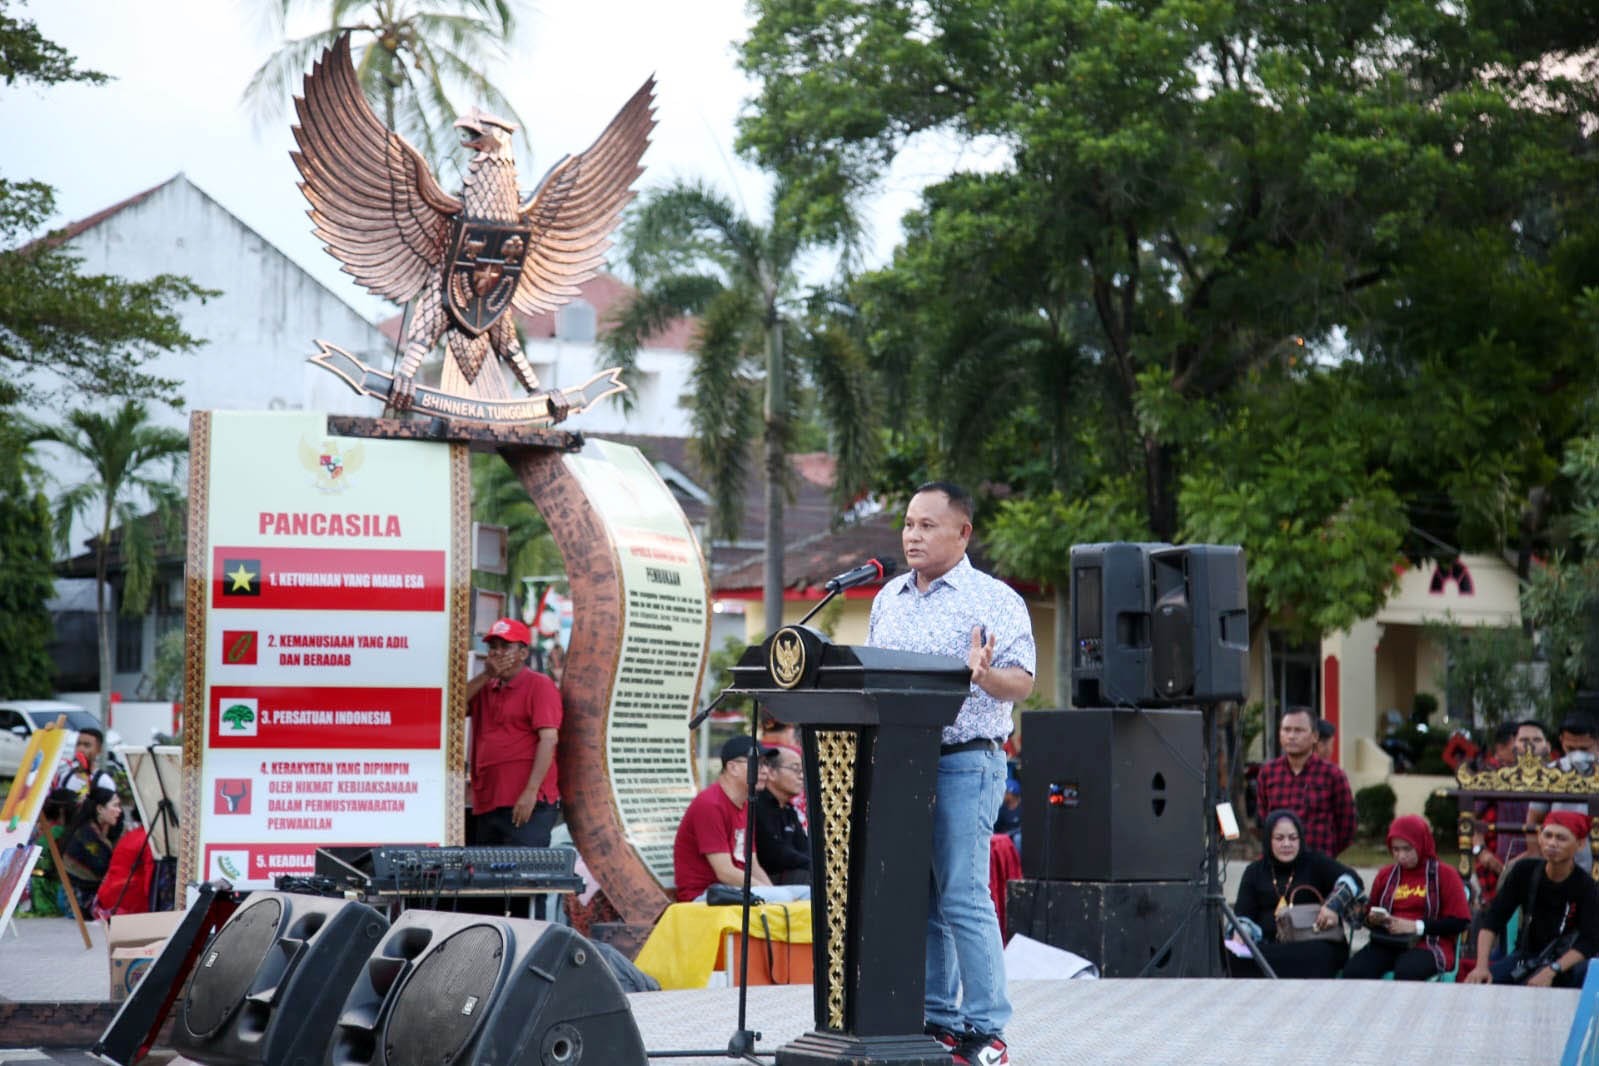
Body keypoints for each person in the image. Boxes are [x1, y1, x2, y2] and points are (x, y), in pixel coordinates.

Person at [868, 480, 1035, 1066]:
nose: (912, 535)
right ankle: (938, 1018)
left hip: (969, 759)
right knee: (926, 894)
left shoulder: (995, 599)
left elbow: (1023, 680)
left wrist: (985, 676)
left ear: (962, 533)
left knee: (963, 890)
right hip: (902, 763)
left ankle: (987, 1028)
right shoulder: (887, 598)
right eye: (909, 524)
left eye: (927, 525)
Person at [1466, 810, 1599, 987]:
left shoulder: (1586, 886)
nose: (1552, 843)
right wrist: (1481, 966)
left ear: (1580, 844)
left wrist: (1552, 970)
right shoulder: (1524, 872)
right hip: (1526, 958)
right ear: (1539, 837)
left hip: (1568, 963)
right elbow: (1492, 920)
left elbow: (1589, 943)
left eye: (1561, 838)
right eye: (1548, 835)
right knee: (1482, 985)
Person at [1228, 810, 1363, 978]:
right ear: (1268, 840)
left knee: (1317, 955)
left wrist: (1332, 906)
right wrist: (1242, 933)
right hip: (1270, 945)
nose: (1287, 844)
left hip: (1313, 943)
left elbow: (1352, 879)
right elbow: (1243, 914)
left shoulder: (1315, 862)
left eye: (1293, 838)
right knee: (1232, 957)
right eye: (1279, 838)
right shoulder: (1254, 871)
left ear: (1301, 839)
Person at [672, 735, 807, 902]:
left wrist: (772, 893)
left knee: (810, 895)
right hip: (704, 897)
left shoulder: (746, 804)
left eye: (765, 763)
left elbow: (753, 865)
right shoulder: (710, 804)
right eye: (757, 763)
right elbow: (725, 871)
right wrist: (773, 895)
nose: (765, 770)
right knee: (785, 897)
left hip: (735, 891)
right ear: (733, 767)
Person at [466, 618, 563, 849]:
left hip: (527, 803)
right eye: (493, 647)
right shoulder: (485, 687)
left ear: (522, 653)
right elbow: (450, 710)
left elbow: (548, 740)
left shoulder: (539, 685)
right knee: (487, 880)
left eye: (505, 647)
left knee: (523, 879)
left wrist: (530, 793)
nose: (497, 653)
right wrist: (485, 676)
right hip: (488, 801)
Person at [1343, 814, 1471, 980]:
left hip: (1429, 943)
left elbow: (1460, 922)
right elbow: (1370, 914)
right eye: (1395, 849)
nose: (1401, 856)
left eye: (1407, 849)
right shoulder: (1386, 875)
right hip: (1387, 942)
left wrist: (1416, 926)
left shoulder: (1445, 875)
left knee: (1408, 971)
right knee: (1355, 971)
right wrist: (1373, 919)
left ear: (1421, 844)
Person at [1254, 707, 1357, 859]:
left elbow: (1347, 827)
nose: (1291, 736)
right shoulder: (1268, 772)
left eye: (1299, 730)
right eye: (1286, 730)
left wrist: (1324, 855)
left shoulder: (1333, 775)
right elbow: (1264, 820)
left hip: (1318, 865)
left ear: (1315, 736)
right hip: (1277, 865)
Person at [60, 786, 124, 914]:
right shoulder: (86, 835)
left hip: (91, 895)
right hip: (77, 899)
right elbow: (104, 869)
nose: (119, 811)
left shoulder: (106, 834)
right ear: (100, 809)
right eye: (115, 806)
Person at [752, 749, 810, 885]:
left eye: (802, 770)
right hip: (766, 879)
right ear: (771, 773)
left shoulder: (788, 809)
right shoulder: (757, 805)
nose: (801, 776)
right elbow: (775, 854)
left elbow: (804, 847)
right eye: (795, 769)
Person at [26, 789, 79, 917]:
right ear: (63, 810)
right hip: (47, 888)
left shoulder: (48, 828)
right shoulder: (58, 833)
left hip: (36, 884)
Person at [52, 726, 117, 800]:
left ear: (99, 750)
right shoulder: (65, 776)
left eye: (87, 745)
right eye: (78, 744)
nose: (81, 749)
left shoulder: (103, 781)